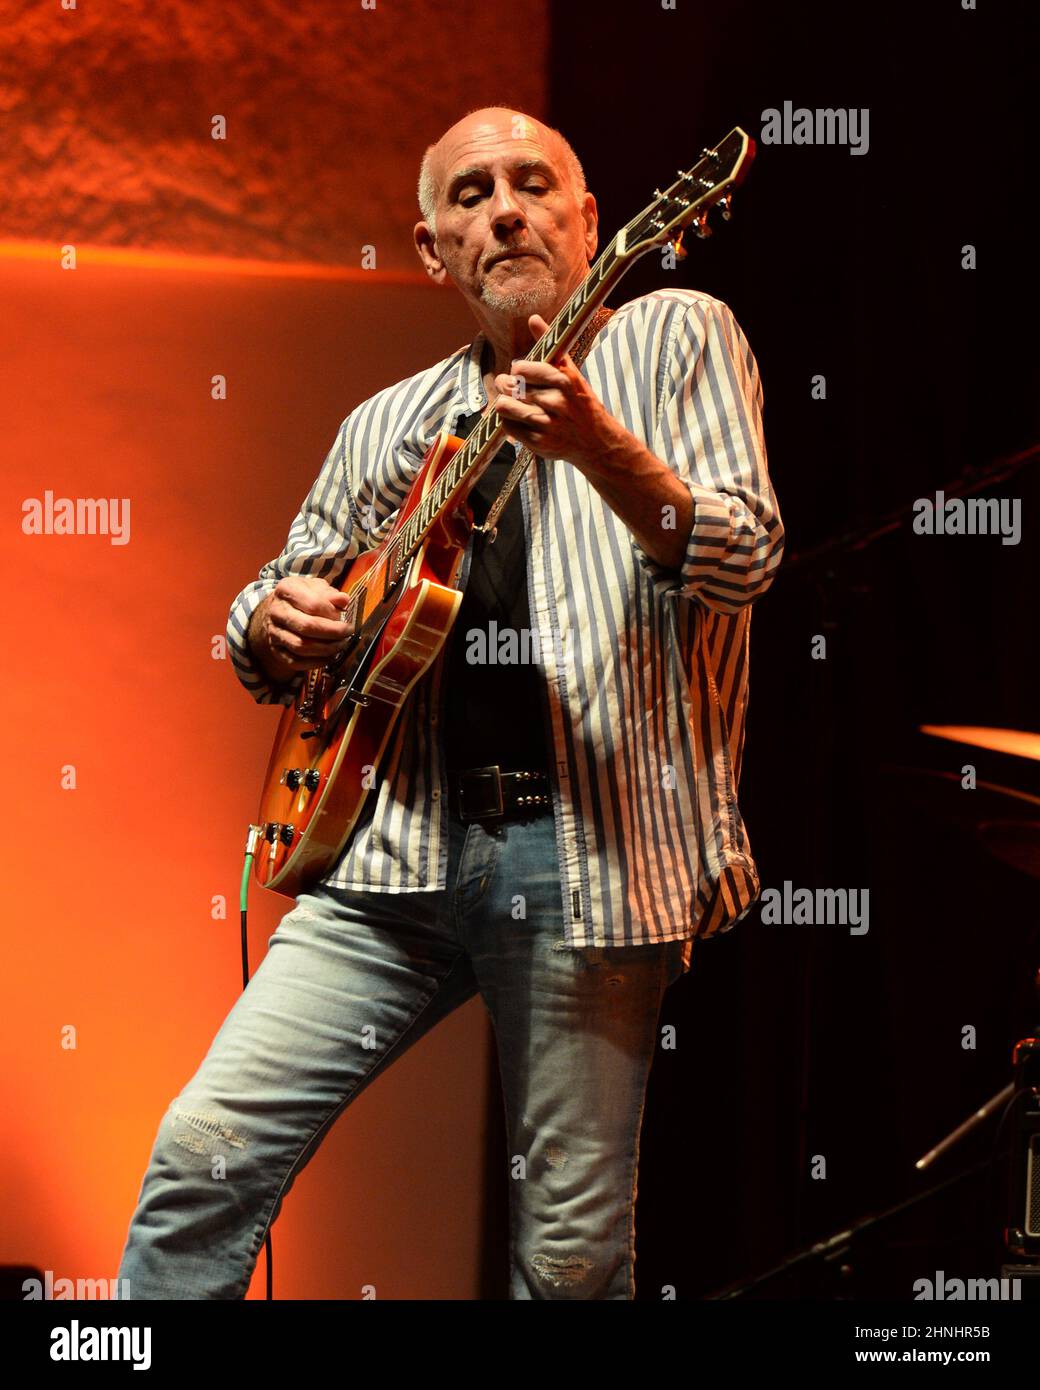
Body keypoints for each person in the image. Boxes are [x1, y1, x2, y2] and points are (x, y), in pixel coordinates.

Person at [116, 106, 783, 1300]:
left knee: (570, 1259)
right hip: (391, 856)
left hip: (591, 856)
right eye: (468, 196)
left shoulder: (678, 332)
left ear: (589, 221)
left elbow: (741, 557)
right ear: (431, 250)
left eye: (534, 185)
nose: (505, 209)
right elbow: (286, 593)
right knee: (201, 1155)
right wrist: (270, 621)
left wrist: (602, 451)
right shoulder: (385, 422)